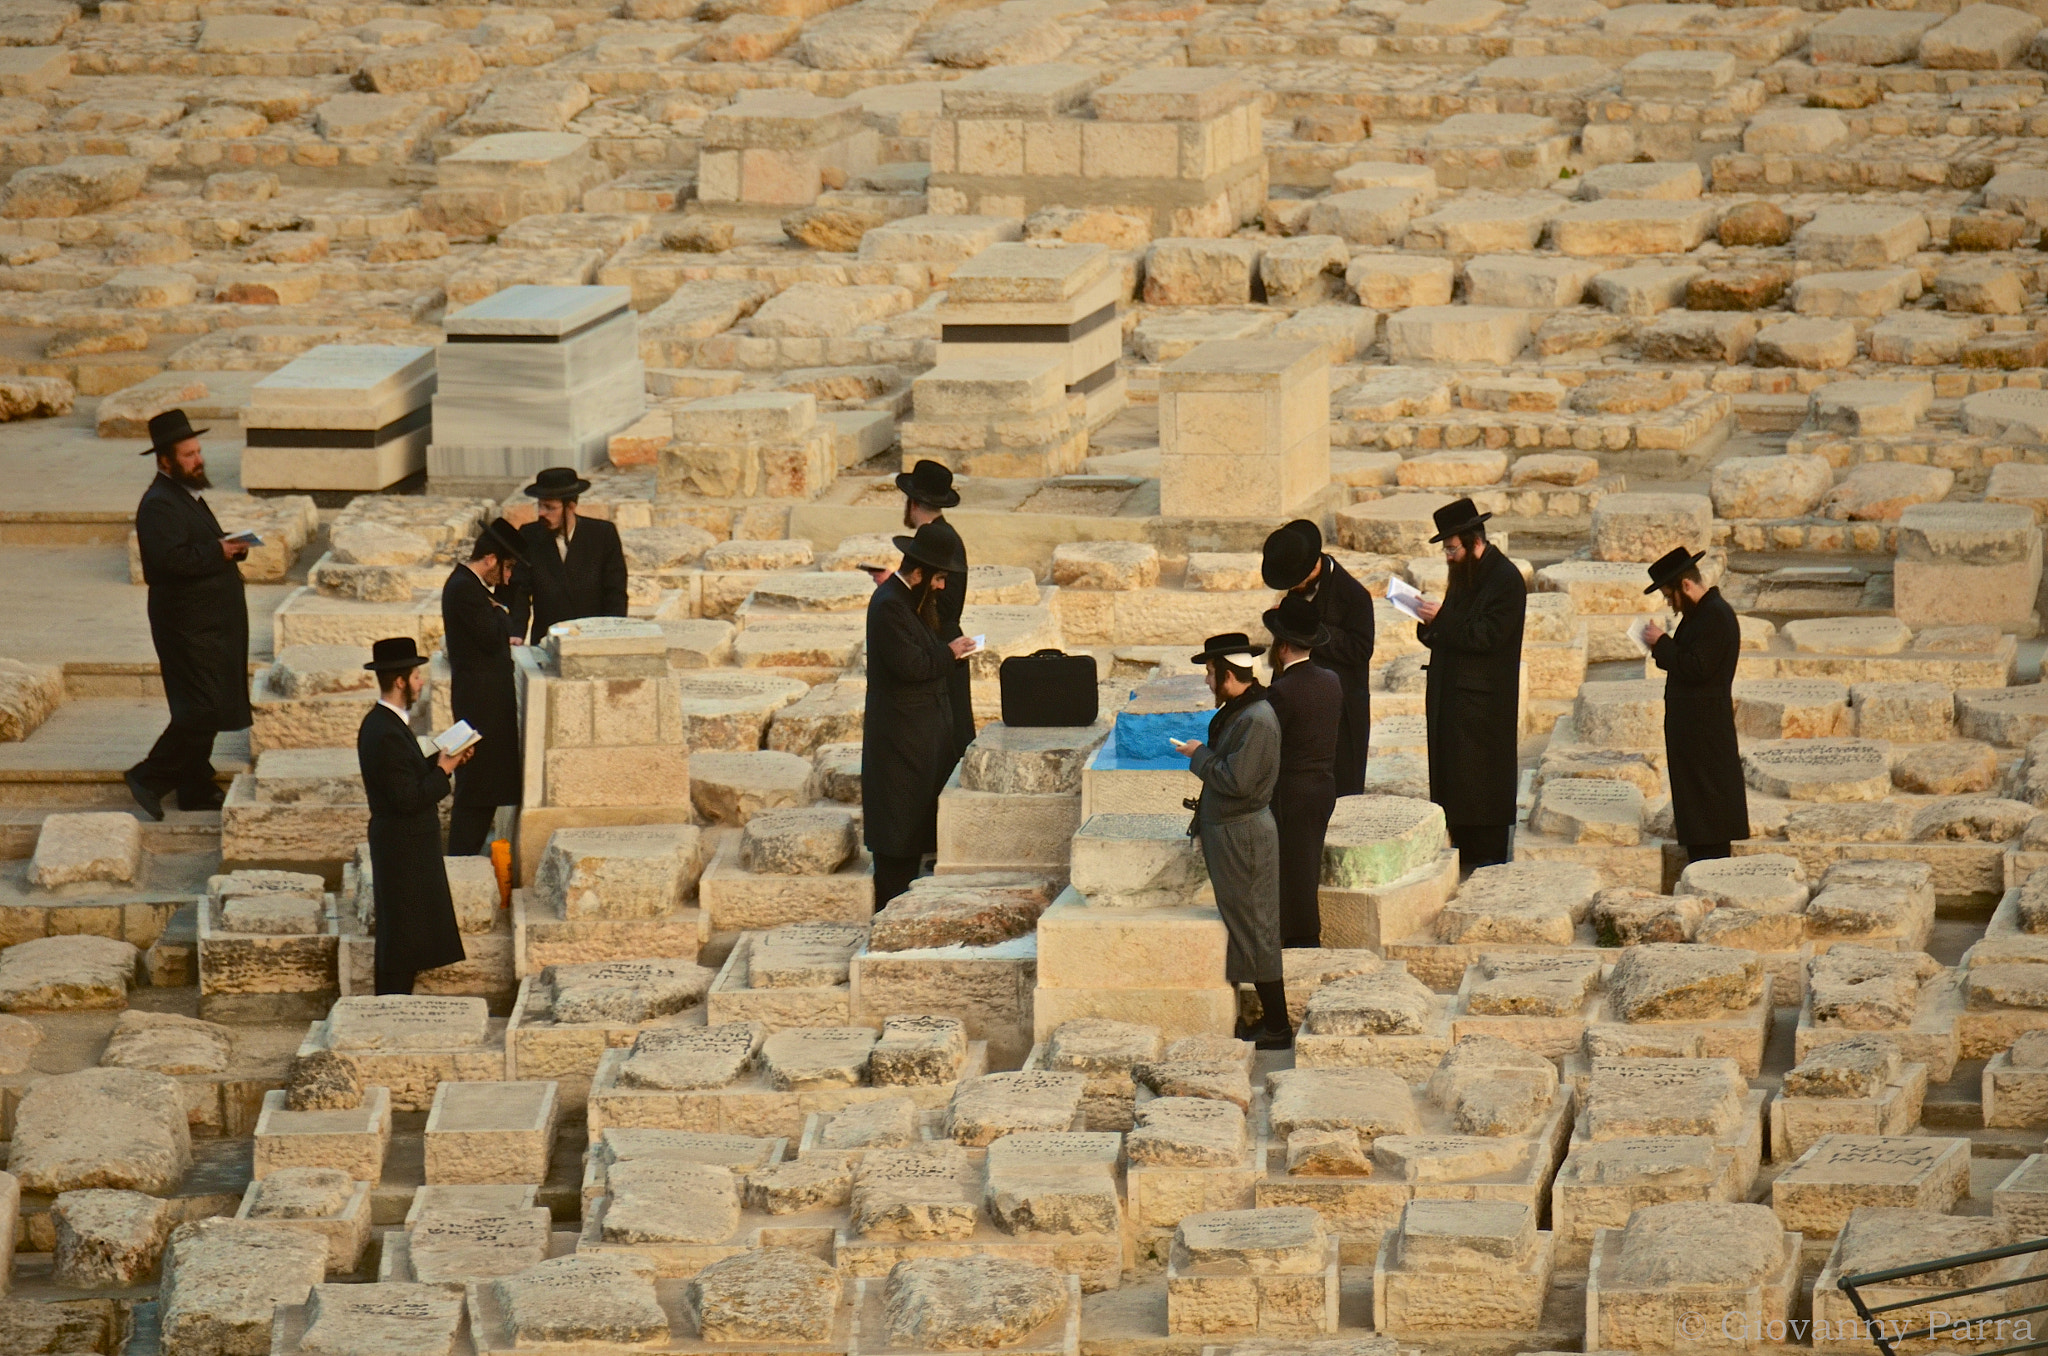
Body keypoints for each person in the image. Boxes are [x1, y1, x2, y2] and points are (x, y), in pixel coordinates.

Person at [126, 409, 251, 820]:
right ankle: (149, 775)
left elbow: (197, 545)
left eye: (198, 451)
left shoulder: (183, 495)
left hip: (208, 623)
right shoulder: (158, 504)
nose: (198, 460)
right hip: (187, 626)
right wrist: (220, 551)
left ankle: (195, 785)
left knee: (209, 702)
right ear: (165, 460)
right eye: (188, 454)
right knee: (201, 707)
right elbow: (166, 563)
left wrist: (228, 546)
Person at [1170, 634, 1289, 1049]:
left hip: (1244, 838)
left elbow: (1237, 781)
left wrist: (1198, 755)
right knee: (1246, 926)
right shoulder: (1244, 711)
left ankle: (1277, 1027)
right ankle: (1270, 1022)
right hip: (1234, 835)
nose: (1206, 680)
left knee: (1256, 927)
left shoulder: (1256, 718)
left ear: (1226, 673)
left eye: (1209, 672)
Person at [863, 522, 978, 910]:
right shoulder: (890, 605)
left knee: (912, 834)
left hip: (916, 743)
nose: (942, 587)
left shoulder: (907, 601)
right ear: (919, 574)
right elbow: (911, 665)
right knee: (898, 844)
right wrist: (951, 653)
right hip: (899, 746)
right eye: (939, 578)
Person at [1414, 498, 1526, 874]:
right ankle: (1462, 848)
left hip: (1483, 704)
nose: (1448, 556)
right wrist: (1428, 623)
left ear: (1473, 542)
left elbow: (1486, 636)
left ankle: (1486, 857)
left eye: (1451, 548)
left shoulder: (1504, 579)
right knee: (1455, 780)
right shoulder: (1467, 574)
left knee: (1480, 781)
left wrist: (1441, 618)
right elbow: (1454, 625)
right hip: (1455, 698)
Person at [357, 637, 473, 995]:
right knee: (400, 939)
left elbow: (401, 779)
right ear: (400, 681)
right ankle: (391, 1007)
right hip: (402, 846)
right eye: (417, 676)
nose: (422, 682)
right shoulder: (385, 730)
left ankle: (395, 1004)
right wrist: (444, 771)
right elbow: (407, 798)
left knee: (406, 934)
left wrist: (440, 764)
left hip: (404, 843)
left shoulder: (386, 724)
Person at [1642, 547, 1748, 863]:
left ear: (1686, 586)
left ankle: (1710, 876)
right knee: (1697, 812)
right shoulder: (1699, 614)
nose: (1669, 604)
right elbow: (1687, 661)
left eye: (1669, 595)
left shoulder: (1716, 615)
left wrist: (1661, 642)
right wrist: (1662, 645)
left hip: (1706, 734)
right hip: (1695, 733)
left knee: (1709, 815)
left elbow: (1696, 668)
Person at [1261, 518, 1375, 797]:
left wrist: (1310, 629)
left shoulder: (1354, 596)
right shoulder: (1298, 588)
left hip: (1339, 712)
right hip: (1295, 698)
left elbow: (1360, 649)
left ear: (1313, 567)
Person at [442, 518, 528, 857]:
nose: (507, 578)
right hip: (480, 707)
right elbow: (493, 637)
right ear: (490, 559)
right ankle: (460, 859)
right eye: (506, 568)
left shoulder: (473, 588)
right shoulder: (464, 588)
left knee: (486, 789)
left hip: (486, 703)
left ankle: (464, 855)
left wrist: (498, 608)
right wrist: (502, 614)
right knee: (478, 788)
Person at [1262, 594, 1343, 949]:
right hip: (1323, 787)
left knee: (1292, 872)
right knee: (1305, 868)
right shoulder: (1331, 681)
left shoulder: (1281, 691)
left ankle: (1302, 940)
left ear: (1282, 647)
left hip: (1291, 792)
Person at [890, 460, 973, 757]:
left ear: (912, 503)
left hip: (940, 645)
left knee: (949, 741)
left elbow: (944, 602)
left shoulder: (940, 540)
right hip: (938, 643)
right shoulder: (938, 536)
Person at [506, 467, 628, 642]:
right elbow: (520, 590)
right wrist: (516, 632)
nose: (541, 513)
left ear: (570, 507)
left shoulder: (602, 535)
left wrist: (613, 634)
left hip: (592, 637)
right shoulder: (529, 535)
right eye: (540, 505)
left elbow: (615, 591)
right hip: (547, 639)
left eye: (549, 508)